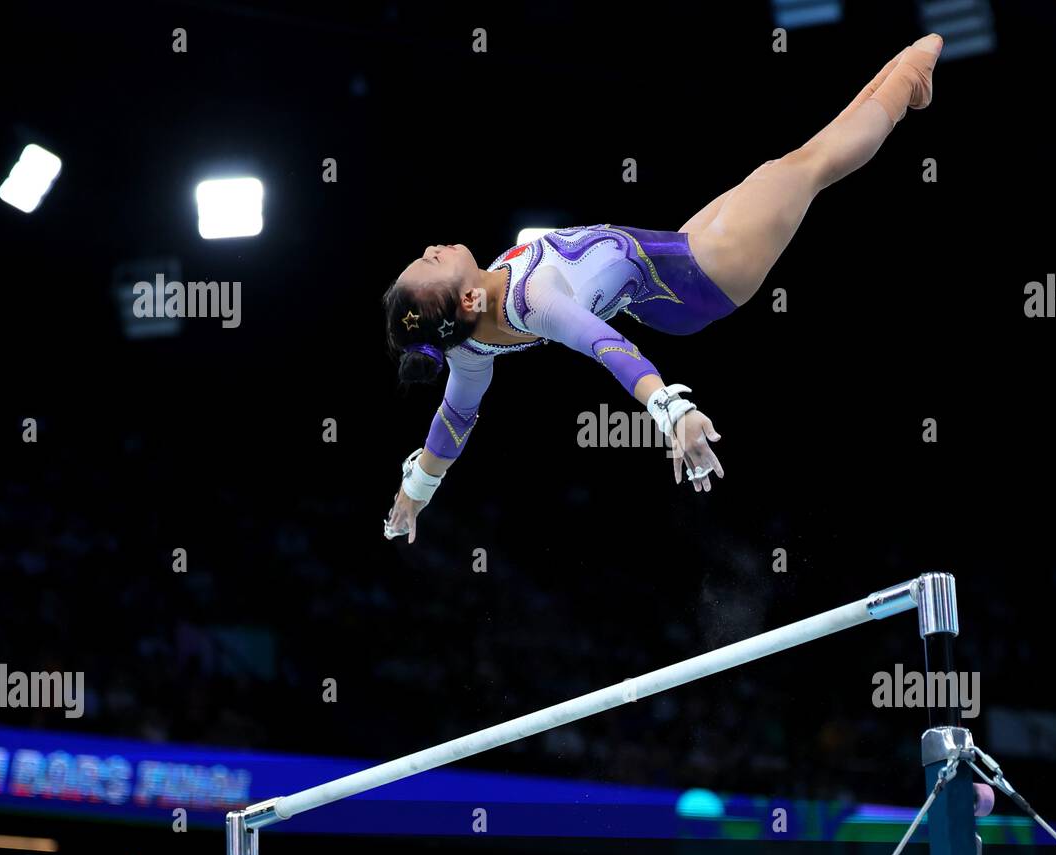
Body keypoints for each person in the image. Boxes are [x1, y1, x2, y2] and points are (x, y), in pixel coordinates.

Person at [383, 35, 943, 542]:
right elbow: (604, 346)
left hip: (677, 266)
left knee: (792, 165)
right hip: (707, 273)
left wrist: (416, 493)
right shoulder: (537, 301)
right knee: (809, 167)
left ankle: (894, 83)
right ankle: (910, 82)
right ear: (466, 300)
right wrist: (670, 409)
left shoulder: (467, 346)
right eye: (430, 263)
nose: (432, 249)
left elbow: (452, 421)